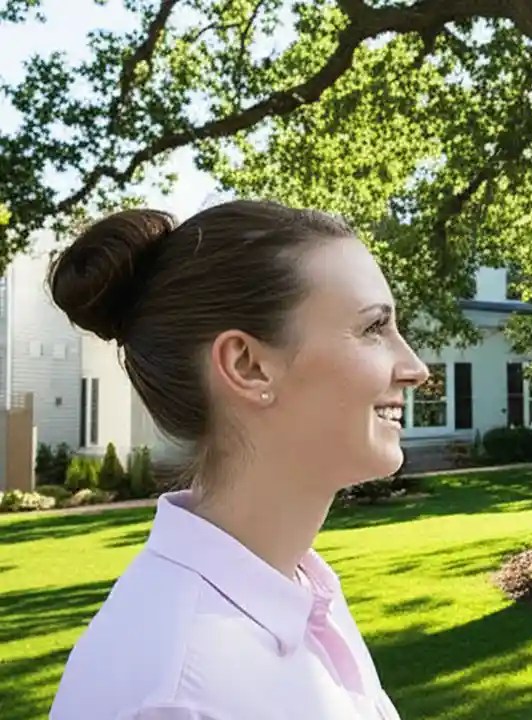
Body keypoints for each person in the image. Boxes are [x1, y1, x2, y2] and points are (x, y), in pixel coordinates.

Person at [48, 200, 428, 719]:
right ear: (247, 366)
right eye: (373, 328)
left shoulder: (303, 596)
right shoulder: (175, 697)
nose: (415, 368)